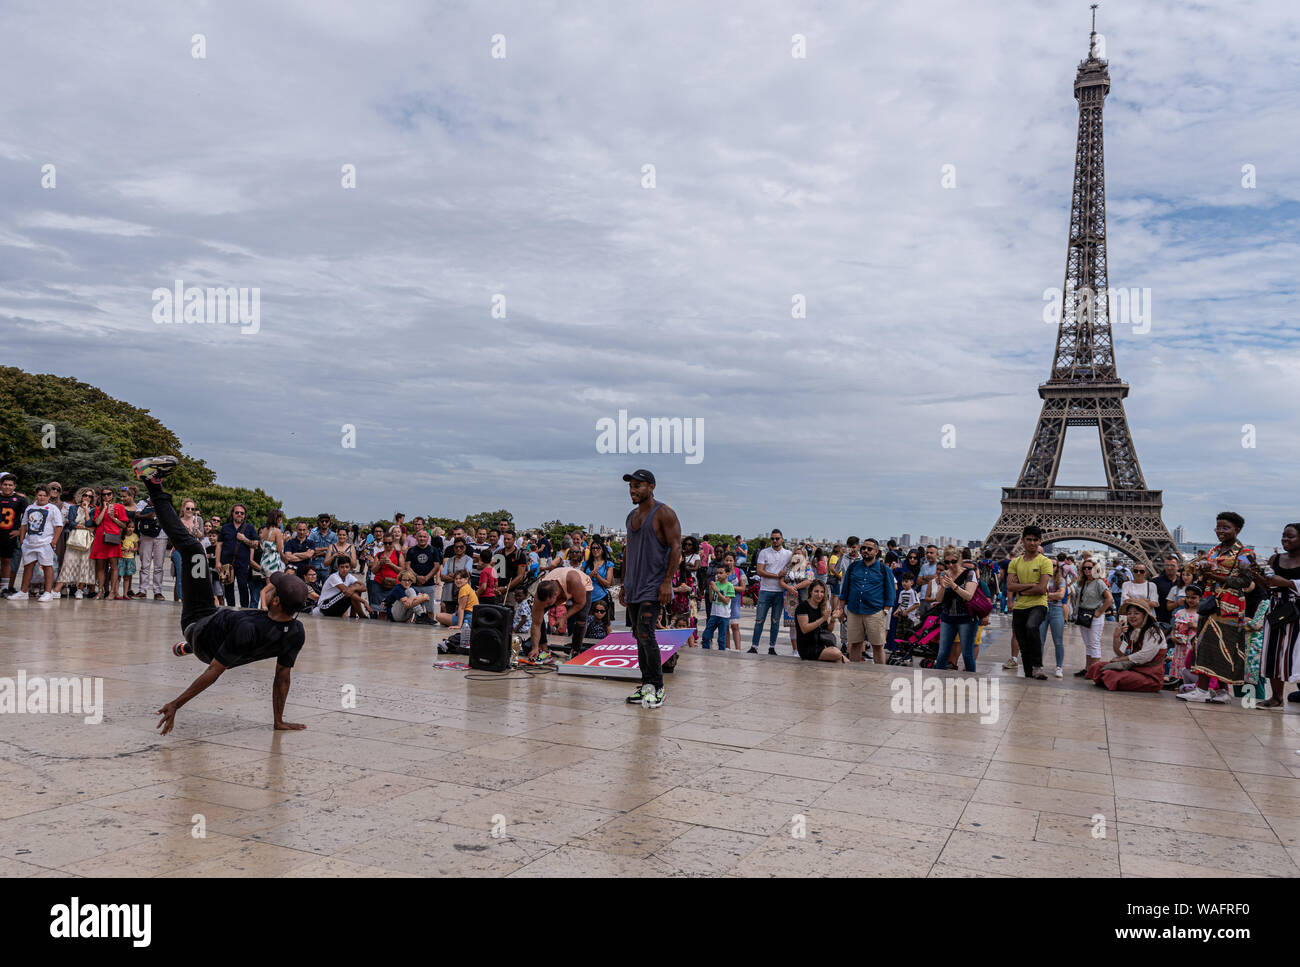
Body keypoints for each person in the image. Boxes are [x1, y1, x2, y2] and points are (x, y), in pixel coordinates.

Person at [131, 456, 310, 736]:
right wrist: (278, 720)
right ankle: (187, 647)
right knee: (231, 617)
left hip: (199, 622)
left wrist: (176, 703)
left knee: (192, 549)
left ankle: (153, 483)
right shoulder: (295, 631)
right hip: (218, 628)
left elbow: (214, 672)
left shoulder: (248, 628)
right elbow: (282, 677)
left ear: (276, 601)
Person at [618, 469, 681, 709]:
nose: (633, 490)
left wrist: (667, 581)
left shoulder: (664, 513)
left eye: (638, 485)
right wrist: (624, 584)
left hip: (654, 585)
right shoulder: (630, 516)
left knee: (646, 632)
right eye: (631, 486)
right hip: (634, 585)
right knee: (638, 635)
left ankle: (658, 687)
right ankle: (646, 685)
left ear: (651, 487)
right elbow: (628, 552)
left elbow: (676, 548)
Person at [1251, 523, 1300, 708]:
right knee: (1273, 651)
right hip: (1277, 608)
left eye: (1290, 536)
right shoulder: (1275, 558)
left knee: (1296, 653)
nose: (1285, 540)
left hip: (1297, 611)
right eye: (1283, 536)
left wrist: (1287, 583)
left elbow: (1284, 583)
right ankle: (1277, 696)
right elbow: (1267, 587)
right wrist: (1257, 577)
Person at [834, 538, 896, 664]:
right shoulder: (853, 567)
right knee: (855, 644)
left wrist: (885, 611)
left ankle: (879, 674)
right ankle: (855, 673)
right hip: (854, 611)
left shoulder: (884, 569)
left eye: (869, 549)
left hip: (875, 612)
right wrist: (840, 609)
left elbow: (891, 593)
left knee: (877, 646)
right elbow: (844, 590)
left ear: (876, 551)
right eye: (863, 548)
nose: (865, 551)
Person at [1086, 598, 1167, 692]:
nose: (1132, 616)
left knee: (1111, 674)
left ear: (1145, 615)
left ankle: (1108, 681)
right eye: (1129, 613)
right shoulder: (1132, 631)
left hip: (1149, 676)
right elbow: (1121, 653)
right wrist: (1116, 636)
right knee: (1097, 666)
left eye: (1136, 613)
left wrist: (1120, 660)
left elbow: (1144, 656)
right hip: (1133, 669)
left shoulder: (1153, 632)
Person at [1006, 525, 1052, 680]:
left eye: (1035, 540)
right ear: (1023, 540)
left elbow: (1041, 589)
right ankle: (1028, 672)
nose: (1032, 543)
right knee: (1022, 640)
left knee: (1031, 627)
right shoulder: (1015, 562)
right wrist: (1031, 585)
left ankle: (1038, 666)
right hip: (1020, 606)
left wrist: (1021, 590)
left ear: (1040, 541)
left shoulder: (1045, 562)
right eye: (1029, 539)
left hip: (1039, 604)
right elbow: (1010, 586)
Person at [528, 561, 594, 656]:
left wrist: (564, 617)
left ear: (555, 595)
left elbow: (580, 603)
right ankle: (542, 646)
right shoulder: (539, 597)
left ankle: (575, 650)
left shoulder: (573, 580)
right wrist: (534, 647)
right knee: (538, 616)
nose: (546, 605)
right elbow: (535, 624)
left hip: (582, 586)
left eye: (548, 603)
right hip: (559, 584)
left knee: (581, 618)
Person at [13, 484, 63, 601]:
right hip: (30, 543)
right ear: (36, 496)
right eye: (40, 495)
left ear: (48, 496)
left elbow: (59, 526)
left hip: (45, 543)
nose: (42, 498)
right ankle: (23, 592)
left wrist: (53, 542)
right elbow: (24, 524)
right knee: (28, 567)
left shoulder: (53, 509)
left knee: (47, 567)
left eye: (45, 496)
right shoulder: (29, 508)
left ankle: (47, 593)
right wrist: (22, 539)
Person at [934, 547, 979, 672]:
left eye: (953, 561)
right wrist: (942, 587)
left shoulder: (970, 574)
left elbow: (969, 596)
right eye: (947, 562)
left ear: (959, 560)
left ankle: (971, 680)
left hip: (966, 618)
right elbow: (939, 598)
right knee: (942, 653)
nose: (950, 565)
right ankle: (938, 680)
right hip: (948, 617)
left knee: (967, 654)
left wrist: (953, 585)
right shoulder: (944, 574)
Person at [749, 529, 792, 654]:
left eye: (777, 538)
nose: (775, 541)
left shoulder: (788, 553)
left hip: (780, 591)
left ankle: (772, 647)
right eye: (772, 538)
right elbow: (760, 571)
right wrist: (777, 575)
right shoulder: (764, 552)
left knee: (775, 621)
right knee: (759, 619)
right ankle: (754, 646)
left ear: (782, 539)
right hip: (765, 590)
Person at [1072, 559, 1114, 678]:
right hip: (1084, 614)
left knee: (1094, 644)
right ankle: (1087, 669)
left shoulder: (1099, 583)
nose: (1087, 570)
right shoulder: (1083, 582)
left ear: (1095, 569)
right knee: (1088, 644)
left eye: (1089, 568)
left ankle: (1095, 671)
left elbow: (1109, 598)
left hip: (1094, 617)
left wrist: (1100, 611)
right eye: (1084, 568)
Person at [216, 503, 258, 608]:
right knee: (228, 587)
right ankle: (230, 608)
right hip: (226, 562)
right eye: (237, 512)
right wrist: (217, 561)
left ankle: (244, 609)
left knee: (243, 586)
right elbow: (219, 545)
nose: (239, 514)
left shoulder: (249, 527)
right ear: (232, 513)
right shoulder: (225, 527)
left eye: (242, 513)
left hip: (243, 563)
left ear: (245, 515)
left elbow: (256, 544)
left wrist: (245, 539)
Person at [796, 579, 848, 663]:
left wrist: (833, 619)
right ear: (810, 592)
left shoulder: (821, 607)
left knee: (842, 659)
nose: (819, 595)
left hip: (821, 645)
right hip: (807, 648)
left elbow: (828, 631)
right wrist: (822, 619)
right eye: (816, 591)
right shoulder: (803, 607)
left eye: (822, 592)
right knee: (837, 654)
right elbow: (804, 629)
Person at [58, 487, 96, 598]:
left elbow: (90, 524)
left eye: (90, 496)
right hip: (74, 538)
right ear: (81, 496)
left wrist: (85, 510)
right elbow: (71, 523)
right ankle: (58, 588)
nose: (87, 498)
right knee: (68, 561)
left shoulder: (93, 509)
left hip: (87, 540)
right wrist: (79, 526)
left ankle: (80, 589)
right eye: (85, 495)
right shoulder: (73, 508)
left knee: (85, 563)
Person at [133, 486, 167, 600]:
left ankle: (158, 591)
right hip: (146, 535)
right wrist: (149, 515)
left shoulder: (164, 503)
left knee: (159, 566)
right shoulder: (143, 503)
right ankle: (143, 590)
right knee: (145, 564)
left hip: (161, 536)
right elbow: (137, 515)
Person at [1039, 560, 1068, 678]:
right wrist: (1053, 595)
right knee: (1040, 640)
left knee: (1058, 641)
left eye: (1054, 565)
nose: (1052, 567)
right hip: (1043, 609)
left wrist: (1045, 595)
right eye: (1049, 565)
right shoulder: (1041, 579)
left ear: (1058, 567)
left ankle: (1059, 667)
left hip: (1056, 611)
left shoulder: (1061, 580)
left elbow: (1061, 595)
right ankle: (1039, 665)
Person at [702, 566, 734, 649]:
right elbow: (711, 600)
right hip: (714, 614)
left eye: (721, 573)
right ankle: (706, 653)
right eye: (717, 573)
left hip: (724, 616)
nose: (718, 575)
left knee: (721, 639)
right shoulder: (715, 584)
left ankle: (721, 656)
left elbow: (726, 601)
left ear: (727, 574)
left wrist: (717, 591)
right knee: (706, 636)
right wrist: (710, 589)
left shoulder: (729, 586)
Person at [117, 519, 139, 598]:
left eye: (133, 527)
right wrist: (122, 549)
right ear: (125, 527)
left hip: (130, 559)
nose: (131, 529)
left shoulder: (135, 536)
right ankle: (116, 593)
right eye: (129, 527)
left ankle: (125, 594)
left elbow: (136, 548)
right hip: (121, 558)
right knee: (118, 577)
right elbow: (117, 546)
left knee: (127, 577)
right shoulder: (121, 535)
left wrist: (132, 549)